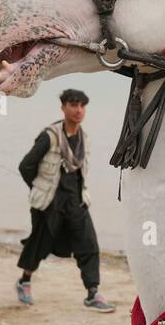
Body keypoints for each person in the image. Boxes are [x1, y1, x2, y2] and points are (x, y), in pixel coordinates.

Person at [16, 88, 114, 311]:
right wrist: (39, 188)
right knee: (39, 245)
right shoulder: (49, 136)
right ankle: (24, 282)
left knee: (89, 245)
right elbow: (25, 166)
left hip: (76, 201)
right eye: (73, 105)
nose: (78, 110)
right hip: (49, 202)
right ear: (63, 107)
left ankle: (93, 293)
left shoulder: (83, 138)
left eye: (82, 106)